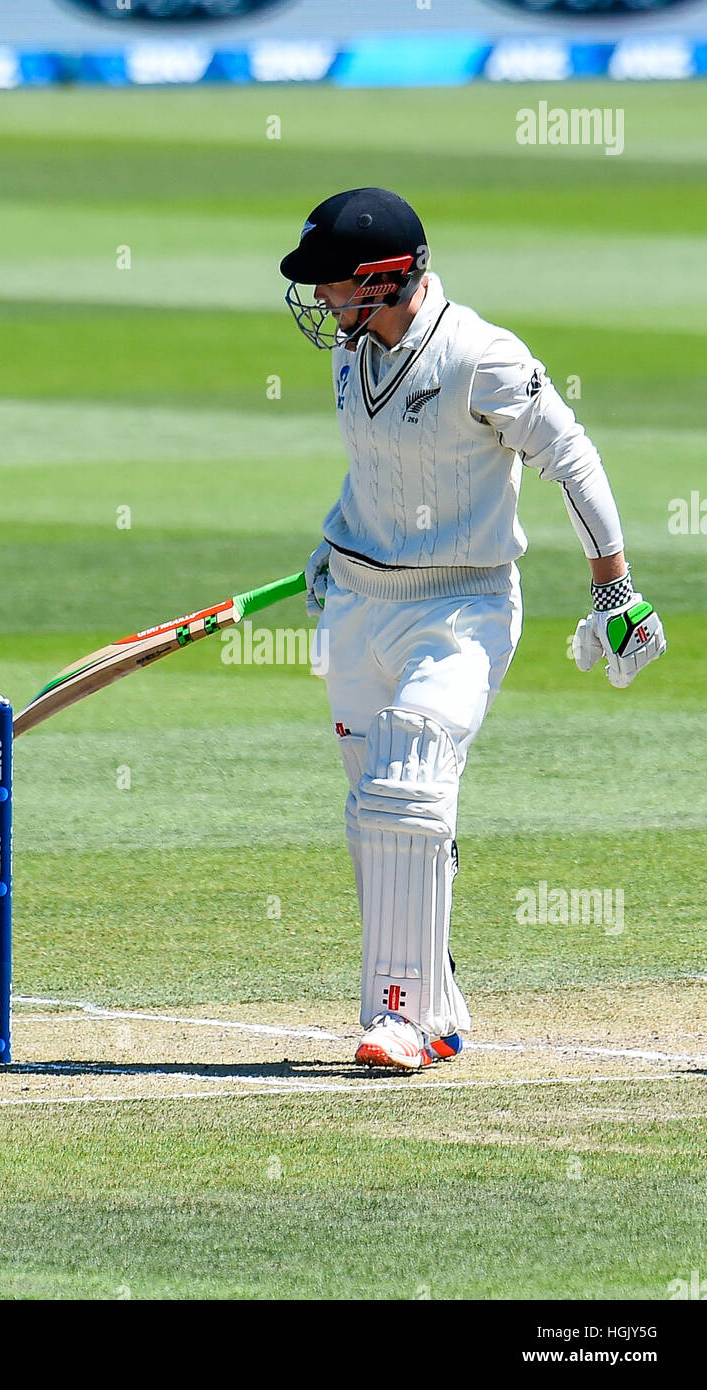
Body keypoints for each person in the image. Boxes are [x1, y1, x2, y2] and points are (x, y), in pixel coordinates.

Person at [279, 187, 666, 1070]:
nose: (322, 300)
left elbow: (569, 455)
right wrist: (333, 545)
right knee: (377, 812)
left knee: (410, 775)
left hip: (461, 608)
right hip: (360, 604)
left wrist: (615, 589)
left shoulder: (479, 357)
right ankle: (438, 1002)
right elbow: (378, 468)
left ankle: (396, 1018)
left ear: (383, 279)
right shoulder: (353, 351)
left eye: (334, 284)